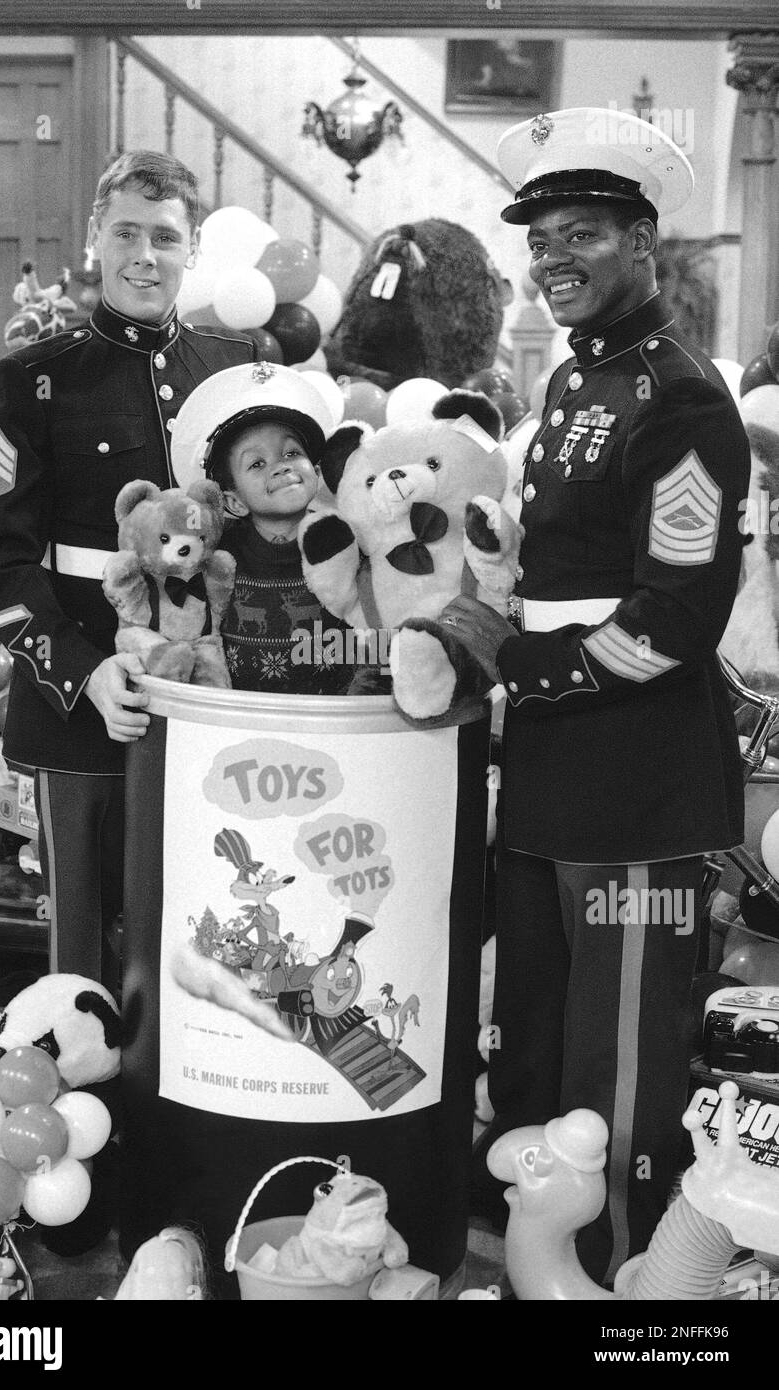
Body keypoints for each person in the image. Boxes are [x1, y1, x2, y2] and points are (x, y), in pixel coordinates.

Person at [447, 107, 750, 1284]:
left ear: (641, 242)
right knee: (529, 1038)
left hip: (634, 780)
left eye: (582, 232)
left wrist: (516, 673)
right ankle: (520, 1259)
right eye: (541, 237)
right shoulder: (572, 388)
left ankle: (621, 1278)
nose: (554, 256)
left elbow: (673, 618)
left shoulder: (680, 399)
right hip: (548, 780)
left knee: (615, 1064)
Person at [0, 150, 256, 985]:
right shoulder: (31, 379)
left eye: (165, 237)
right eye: (126, 232)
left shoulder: (233, 370)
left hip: (209, 709)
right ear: (96, 237)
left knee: (206, 937)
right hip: (80, 710)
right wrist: (82, 674)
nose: (144, 255)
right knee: (80, 957)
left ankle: (174, 1113)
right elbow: (0, 564)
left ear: (191, 247)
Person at [171, 361, 350, 695]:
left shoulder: (348, 542)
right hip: (242, 727)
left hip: (335, 726)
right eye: (257, 463)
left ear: (315, 468)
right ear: (234, 502)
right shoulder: (216, 558)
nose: (282, 466)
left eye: (292, 452)